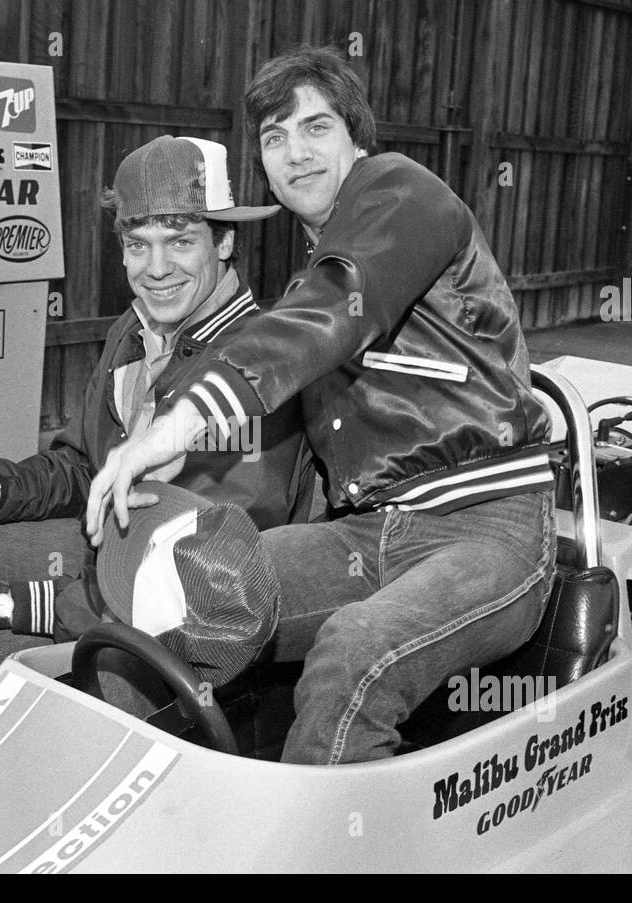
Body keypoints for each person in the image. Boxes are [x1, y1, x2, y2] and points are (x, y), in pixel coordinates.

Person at [85, 46, 558, 766]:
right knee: (195, 586)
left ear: (356, 136)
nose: (295, 154)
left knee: (353, 648)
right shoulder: (311, 269)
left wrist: (181, 421)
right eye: (275, 139)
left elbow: (330, 312)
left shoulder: (404, 193)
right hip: (368, 536)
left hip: (487, 529)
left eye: (315, 128)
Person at [0, 135, 313, 750]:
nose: (155, 268)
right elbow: (78, 465)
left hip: (162, 618)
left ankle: (19, 789)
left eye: (180, 241)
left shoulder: (252, 370)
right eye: (137, 243)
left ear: (226, 242)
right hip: (101, 554)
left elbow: (189, 589)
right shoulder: (141, 327)